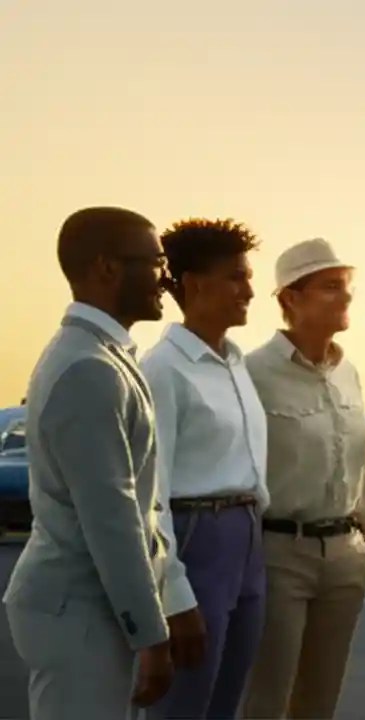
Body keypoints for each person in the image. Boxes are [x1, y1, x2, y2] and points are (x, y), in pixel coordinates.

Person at [3, 207, 189, 718]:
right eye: (156, 262)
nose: (166, 278)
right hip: (80, 611)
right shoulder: (88, 368)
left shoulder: (101, 354)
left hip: (91, 606)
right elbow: (112, 518)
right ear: (107, 268)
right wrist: (150, 634)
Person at [240, 238, 365, 719]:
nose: (345, 296)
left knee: (320, 702)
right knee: (268, 697)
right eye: (329, 286)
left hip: (345, 556)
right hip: (280, 554)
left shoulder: (348, 372)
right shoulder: (252, 373)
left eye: (345, 285)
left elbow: (361, 456)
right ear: (290, 298)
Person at [140, 218, 269, 718]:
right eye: (236, 277)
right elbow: (152, 491)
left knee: (224, 703)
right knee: (184, 703)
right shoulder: (163, 369)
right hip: (197, 538)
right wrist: (173, 592)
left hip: (247, 539)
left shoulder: (235, 362)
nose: (249, 291)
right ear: (194, 285)